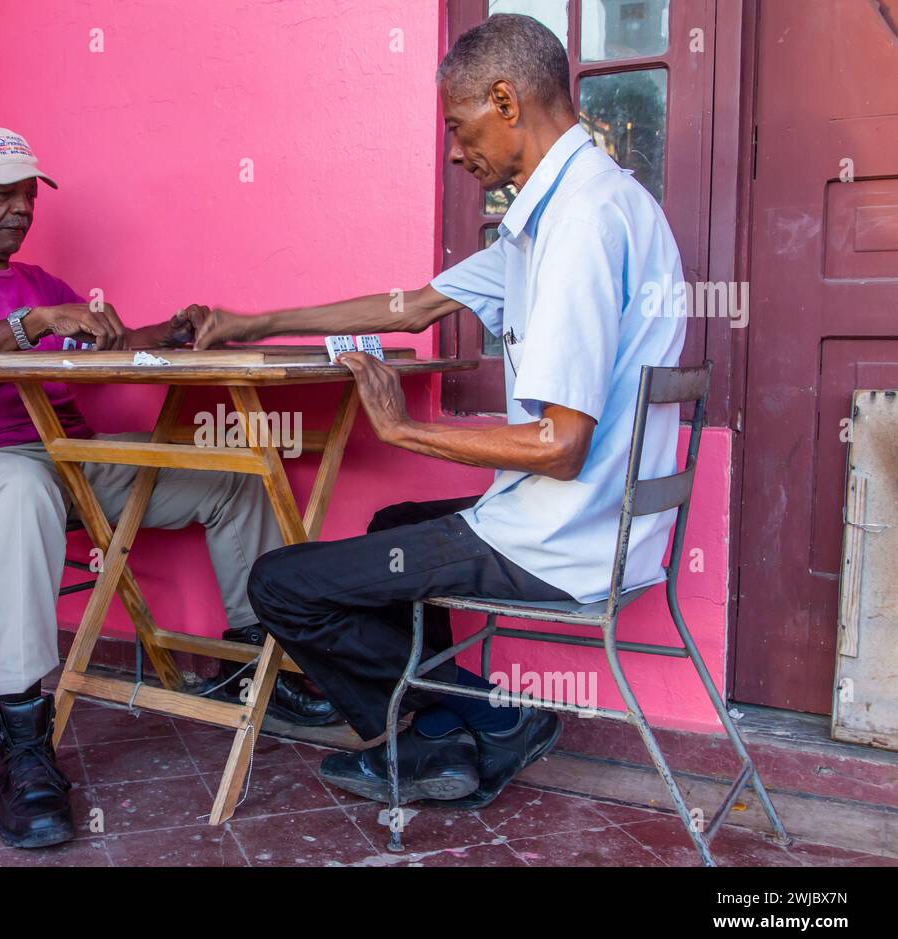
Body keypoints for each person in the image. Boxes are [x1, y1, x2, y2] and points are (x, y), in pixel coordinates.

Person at [181, 14, 687, 809]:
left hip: (566, 539)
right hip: (609, 523)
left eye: (459, 126)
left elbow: (561, 447)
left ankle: (490, 715)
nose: (454, 151)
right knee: (392, 529)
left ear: (505, 102)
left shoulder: (579, 228)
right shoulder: (572, 209)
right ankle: (446, 735)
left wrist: (404, 427)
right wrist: (251, 324)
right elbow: (411, 308)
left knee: (280, 584)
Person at [0, 125, 335, 850]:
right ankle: (25, 736)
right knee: (17, 490)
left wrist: (174, 330)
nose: (22, 210)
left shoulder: (44, 287)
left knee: (232, 472)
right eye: (4, 195)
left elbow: (113, 347)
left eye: (29, 196)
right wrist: (28, 325)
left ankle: (258, 666)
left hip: (64, 458)